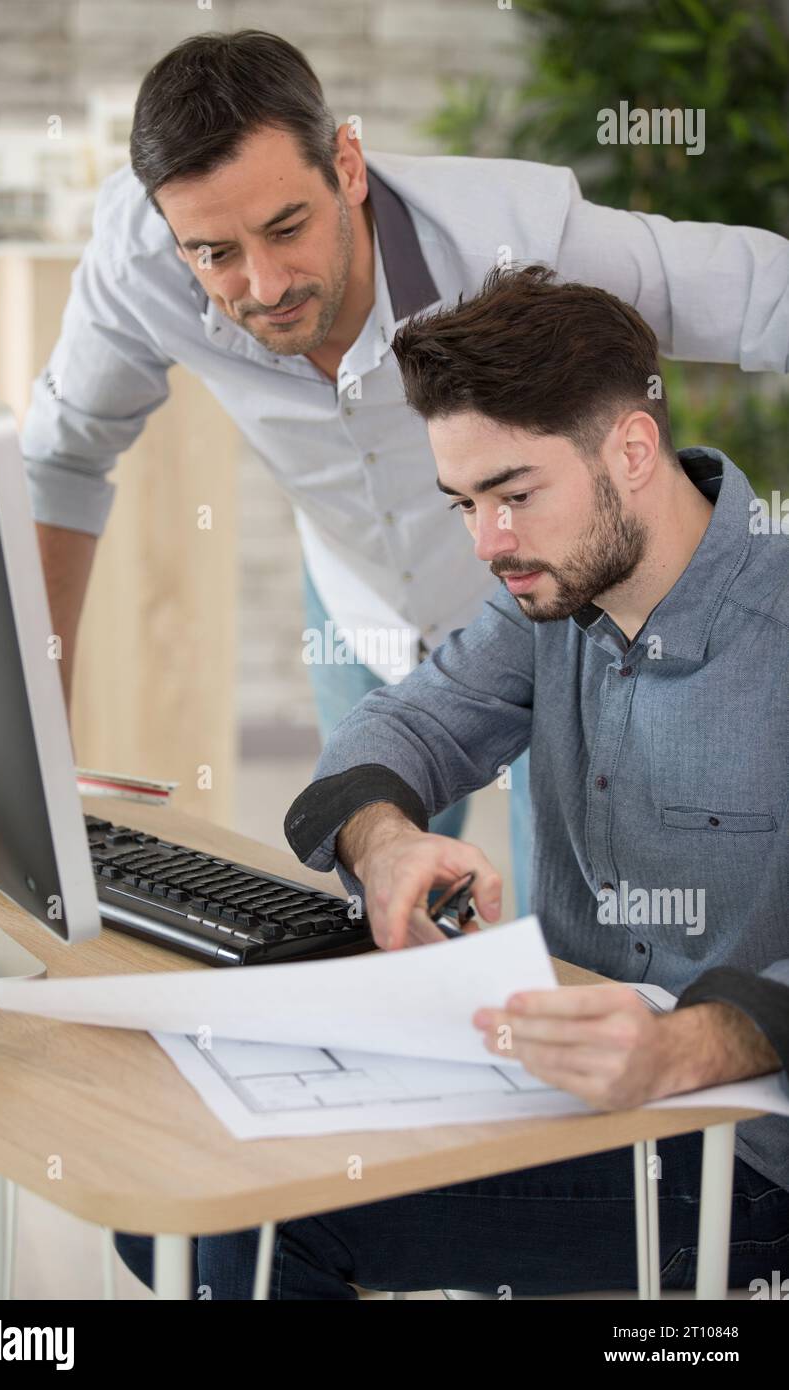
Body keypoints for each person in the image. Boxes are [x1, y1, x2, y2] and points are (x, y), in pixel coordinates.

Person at [116, 266, 788, 1298]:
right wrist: (386, 844)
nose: (486, 545)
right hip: (555, 1095)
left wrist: (692, 1044)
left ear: (632, 449)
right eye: (463, 504)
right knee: (159, 1178)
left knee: (244, 1223)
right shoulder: (552, 600)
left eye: (513, 495)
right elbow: (395, 725)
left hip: (740, 1151)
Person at [25, 29, 789, 920]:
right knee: (376, 884)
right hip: (356, 604)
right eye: (215, 254)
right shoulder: (137, 267)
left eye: (287, 227)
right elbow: (60, 462)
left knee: (578, 921)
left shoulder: (511, 242)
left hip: (550, 608)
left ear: (347, 162)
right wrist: (35, 751)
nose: (265, 285)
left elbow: (761, 294)